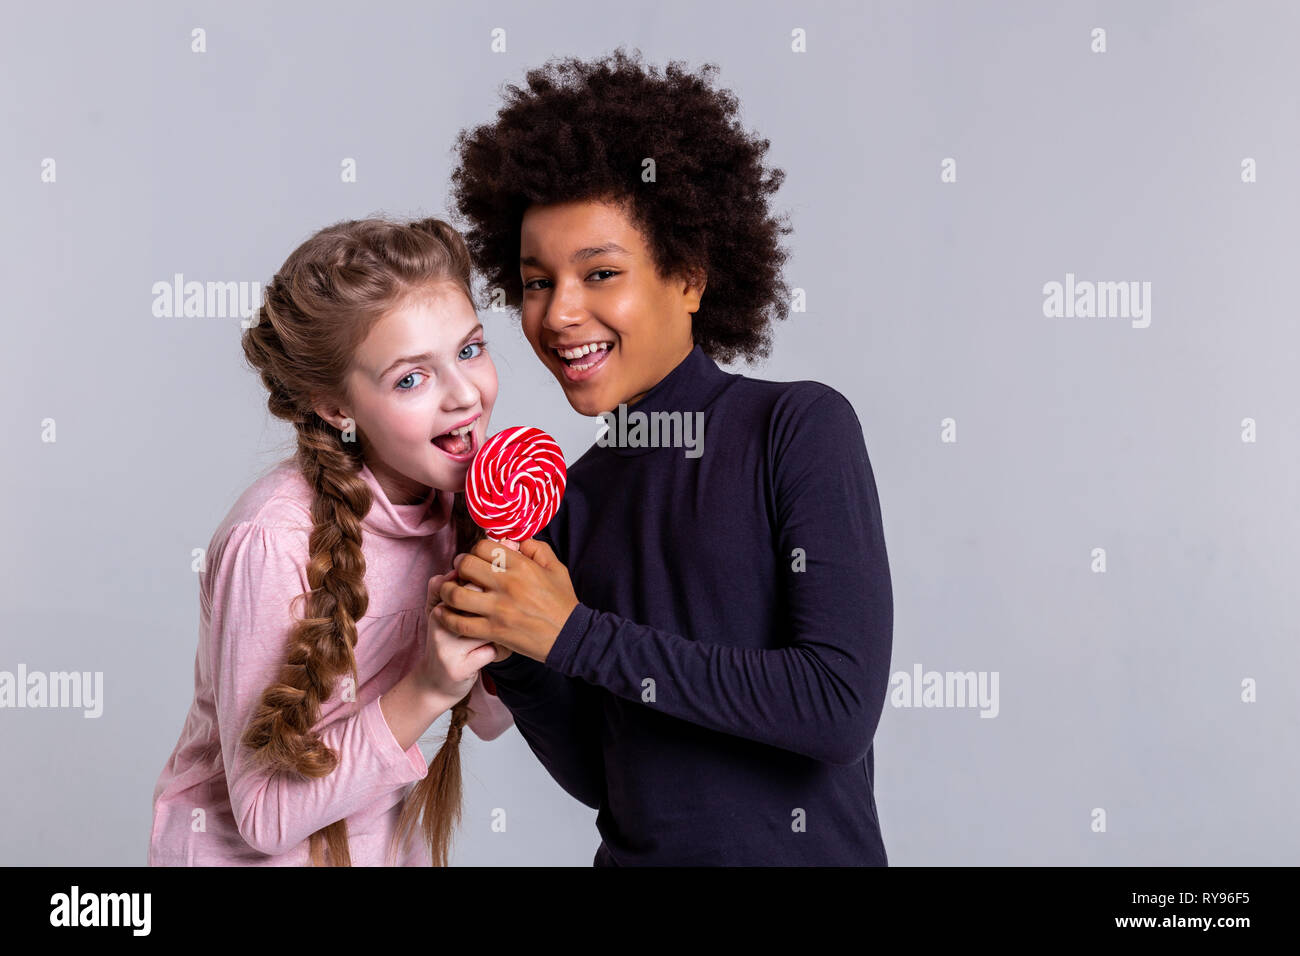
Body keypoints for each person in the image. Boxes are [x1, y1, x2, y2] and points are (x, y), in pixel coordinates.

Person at [436, 49, 894, 865]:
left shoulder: (798, 428)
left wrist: (572, 633)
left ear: (688, 276)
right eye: (536, 282)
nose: (560, 313)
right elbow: (608, 778)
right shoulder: (569, 497)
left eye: (600, 273)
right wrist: (522, 654)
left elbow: (835, 705)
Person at [148, 217, 513, 867]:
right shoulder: (271, 542)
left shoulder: (463, 507)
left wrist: (524, 612)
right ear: (336, 407)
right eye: (410, 378)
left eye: (469, 349)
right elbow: (263, 817)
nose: (464, 395)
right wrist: (426, 687)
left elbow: (486, 718)